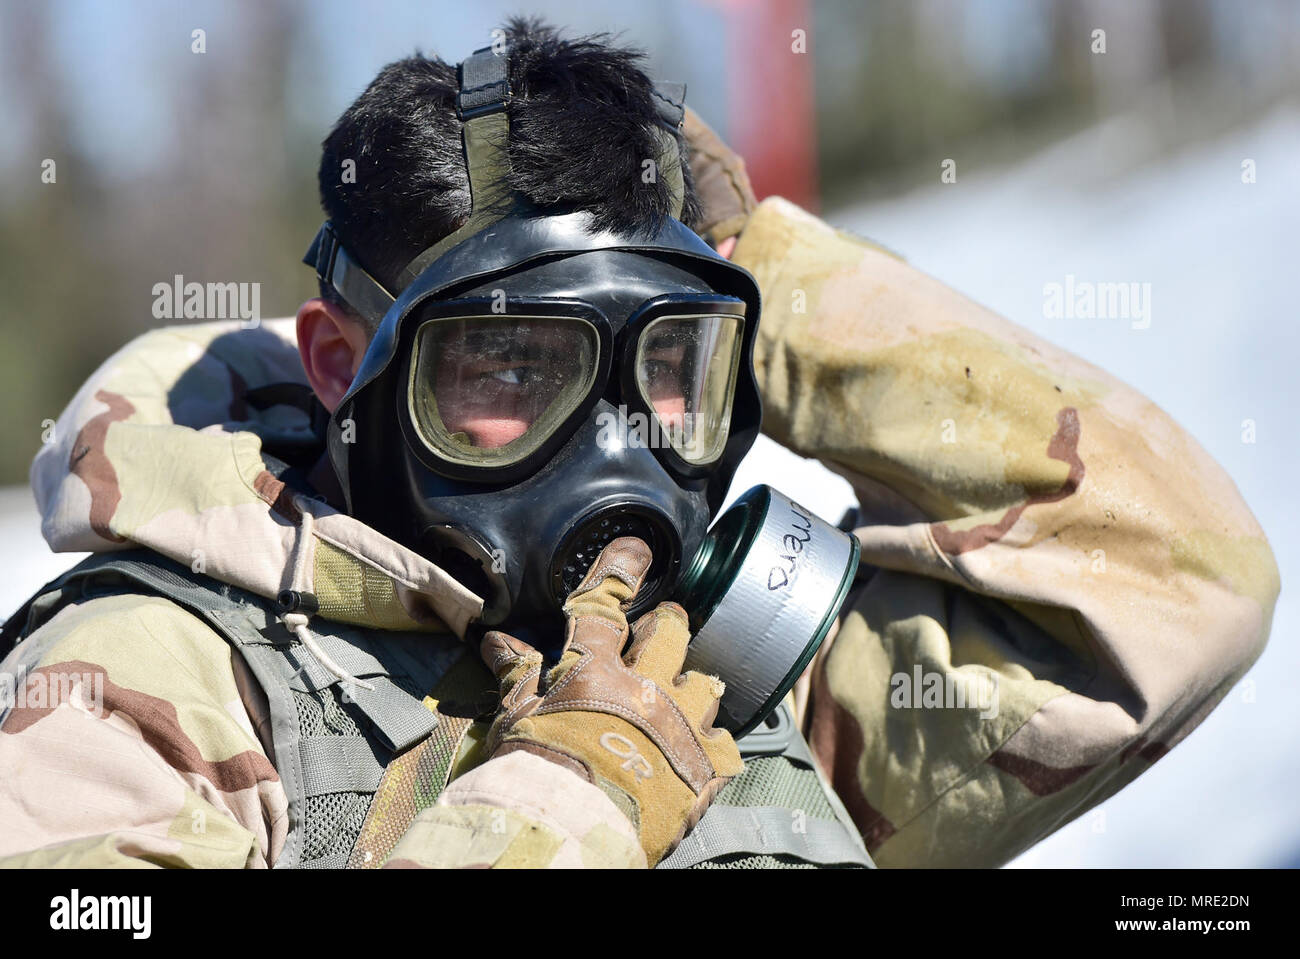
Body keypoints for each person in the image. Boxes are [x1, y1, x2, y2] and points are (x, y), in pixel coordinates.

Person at [0, 19, 1278, 869]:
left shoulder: (722, 671)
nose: (617, 448)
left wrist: (766, 272)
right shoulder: (138, 687)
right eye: (508, 367)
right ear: (350, 369)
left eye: (671, 368)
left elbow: (1170, 578)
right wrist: (563, 812)